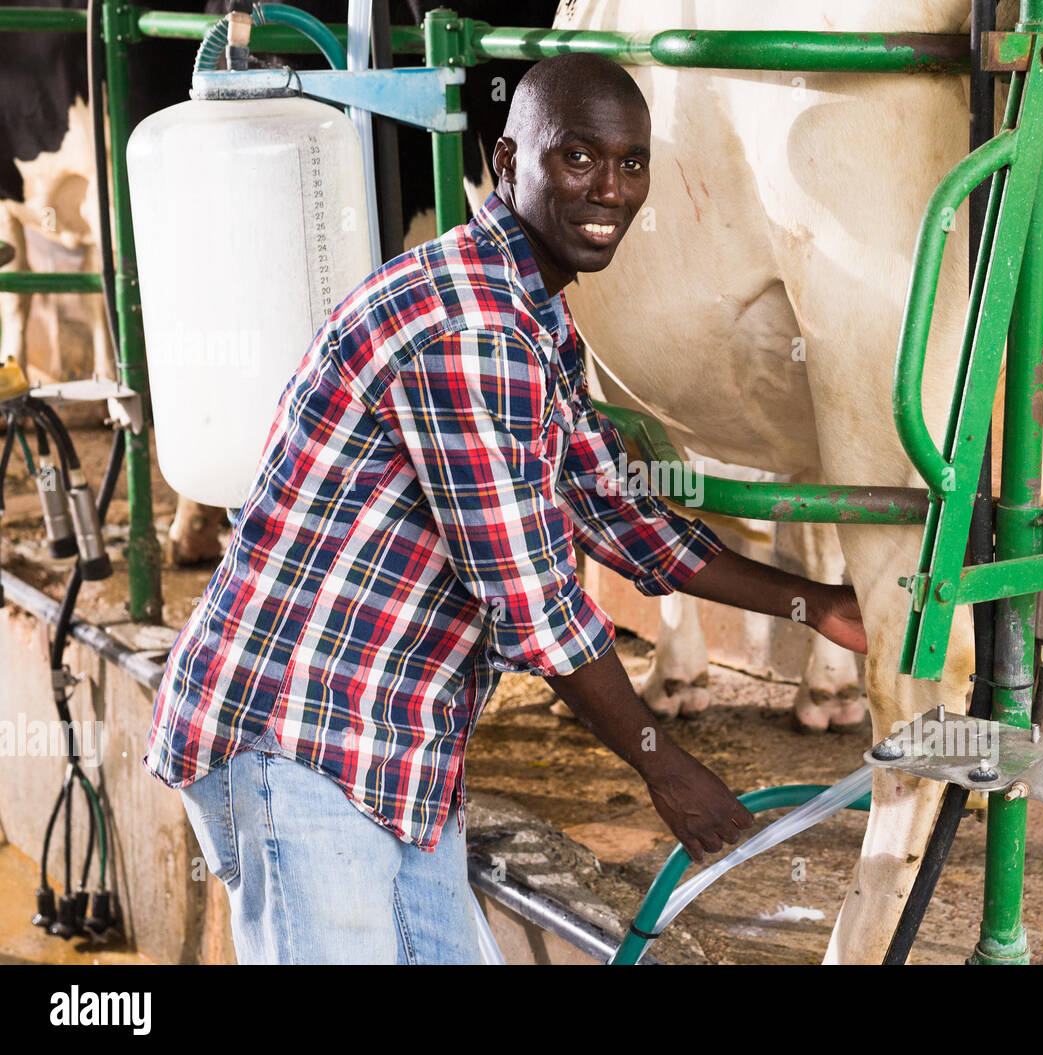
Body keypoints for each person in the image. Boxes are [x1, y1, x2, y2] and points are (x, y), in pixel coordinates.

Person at [142, 52, 868, 964]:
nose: (610, 188)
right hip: (299, 746)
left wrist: (818, 606)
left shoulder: (528, 312)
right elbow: (532, 603)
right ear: (506, 161)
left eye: (631, 162)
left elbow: (617, 510)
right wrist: (663, 763)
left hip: (396, 752)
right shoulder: (472, 327)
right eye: (577, 158)